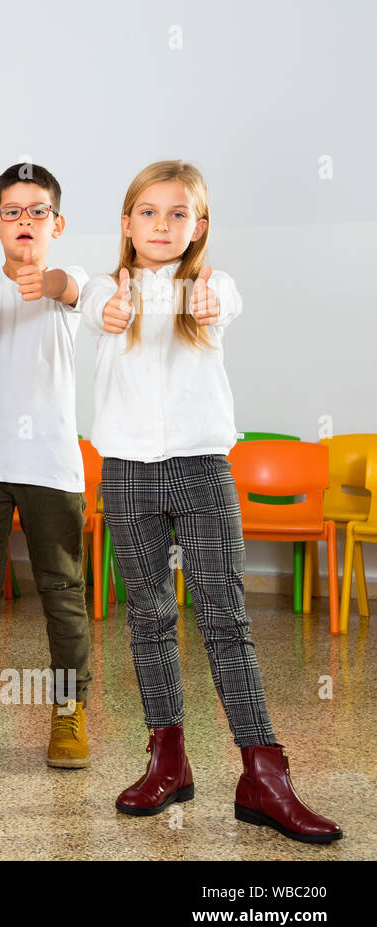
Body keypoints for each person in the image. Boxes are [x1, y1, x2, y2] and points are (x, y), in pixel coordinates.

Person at [81, 160, 342, 843]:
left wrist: (202, 302)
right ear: (126, 223)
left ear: (199, 227)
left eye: (178, 214)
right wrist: (110, 308)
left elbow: (222, 303)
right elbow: (88, 304)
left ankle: (264, 773)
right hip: (128, 471)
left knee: (225, 615)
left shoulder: (214, 287)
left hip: (201, 469)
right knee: (149, 616)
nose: (161, 226)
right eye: (148, 212)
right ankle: (167, 759)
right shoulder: (106, 292)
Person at [0, 163, 93, 768]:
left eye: (38, 211)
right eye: (13, 212)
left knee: (62, 591)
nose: (26, 221)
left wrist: (52, 280)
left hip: (52, 464)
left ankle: (70, 713)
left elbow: (70, 288)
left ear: (56, 223)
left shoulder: (71, 282)